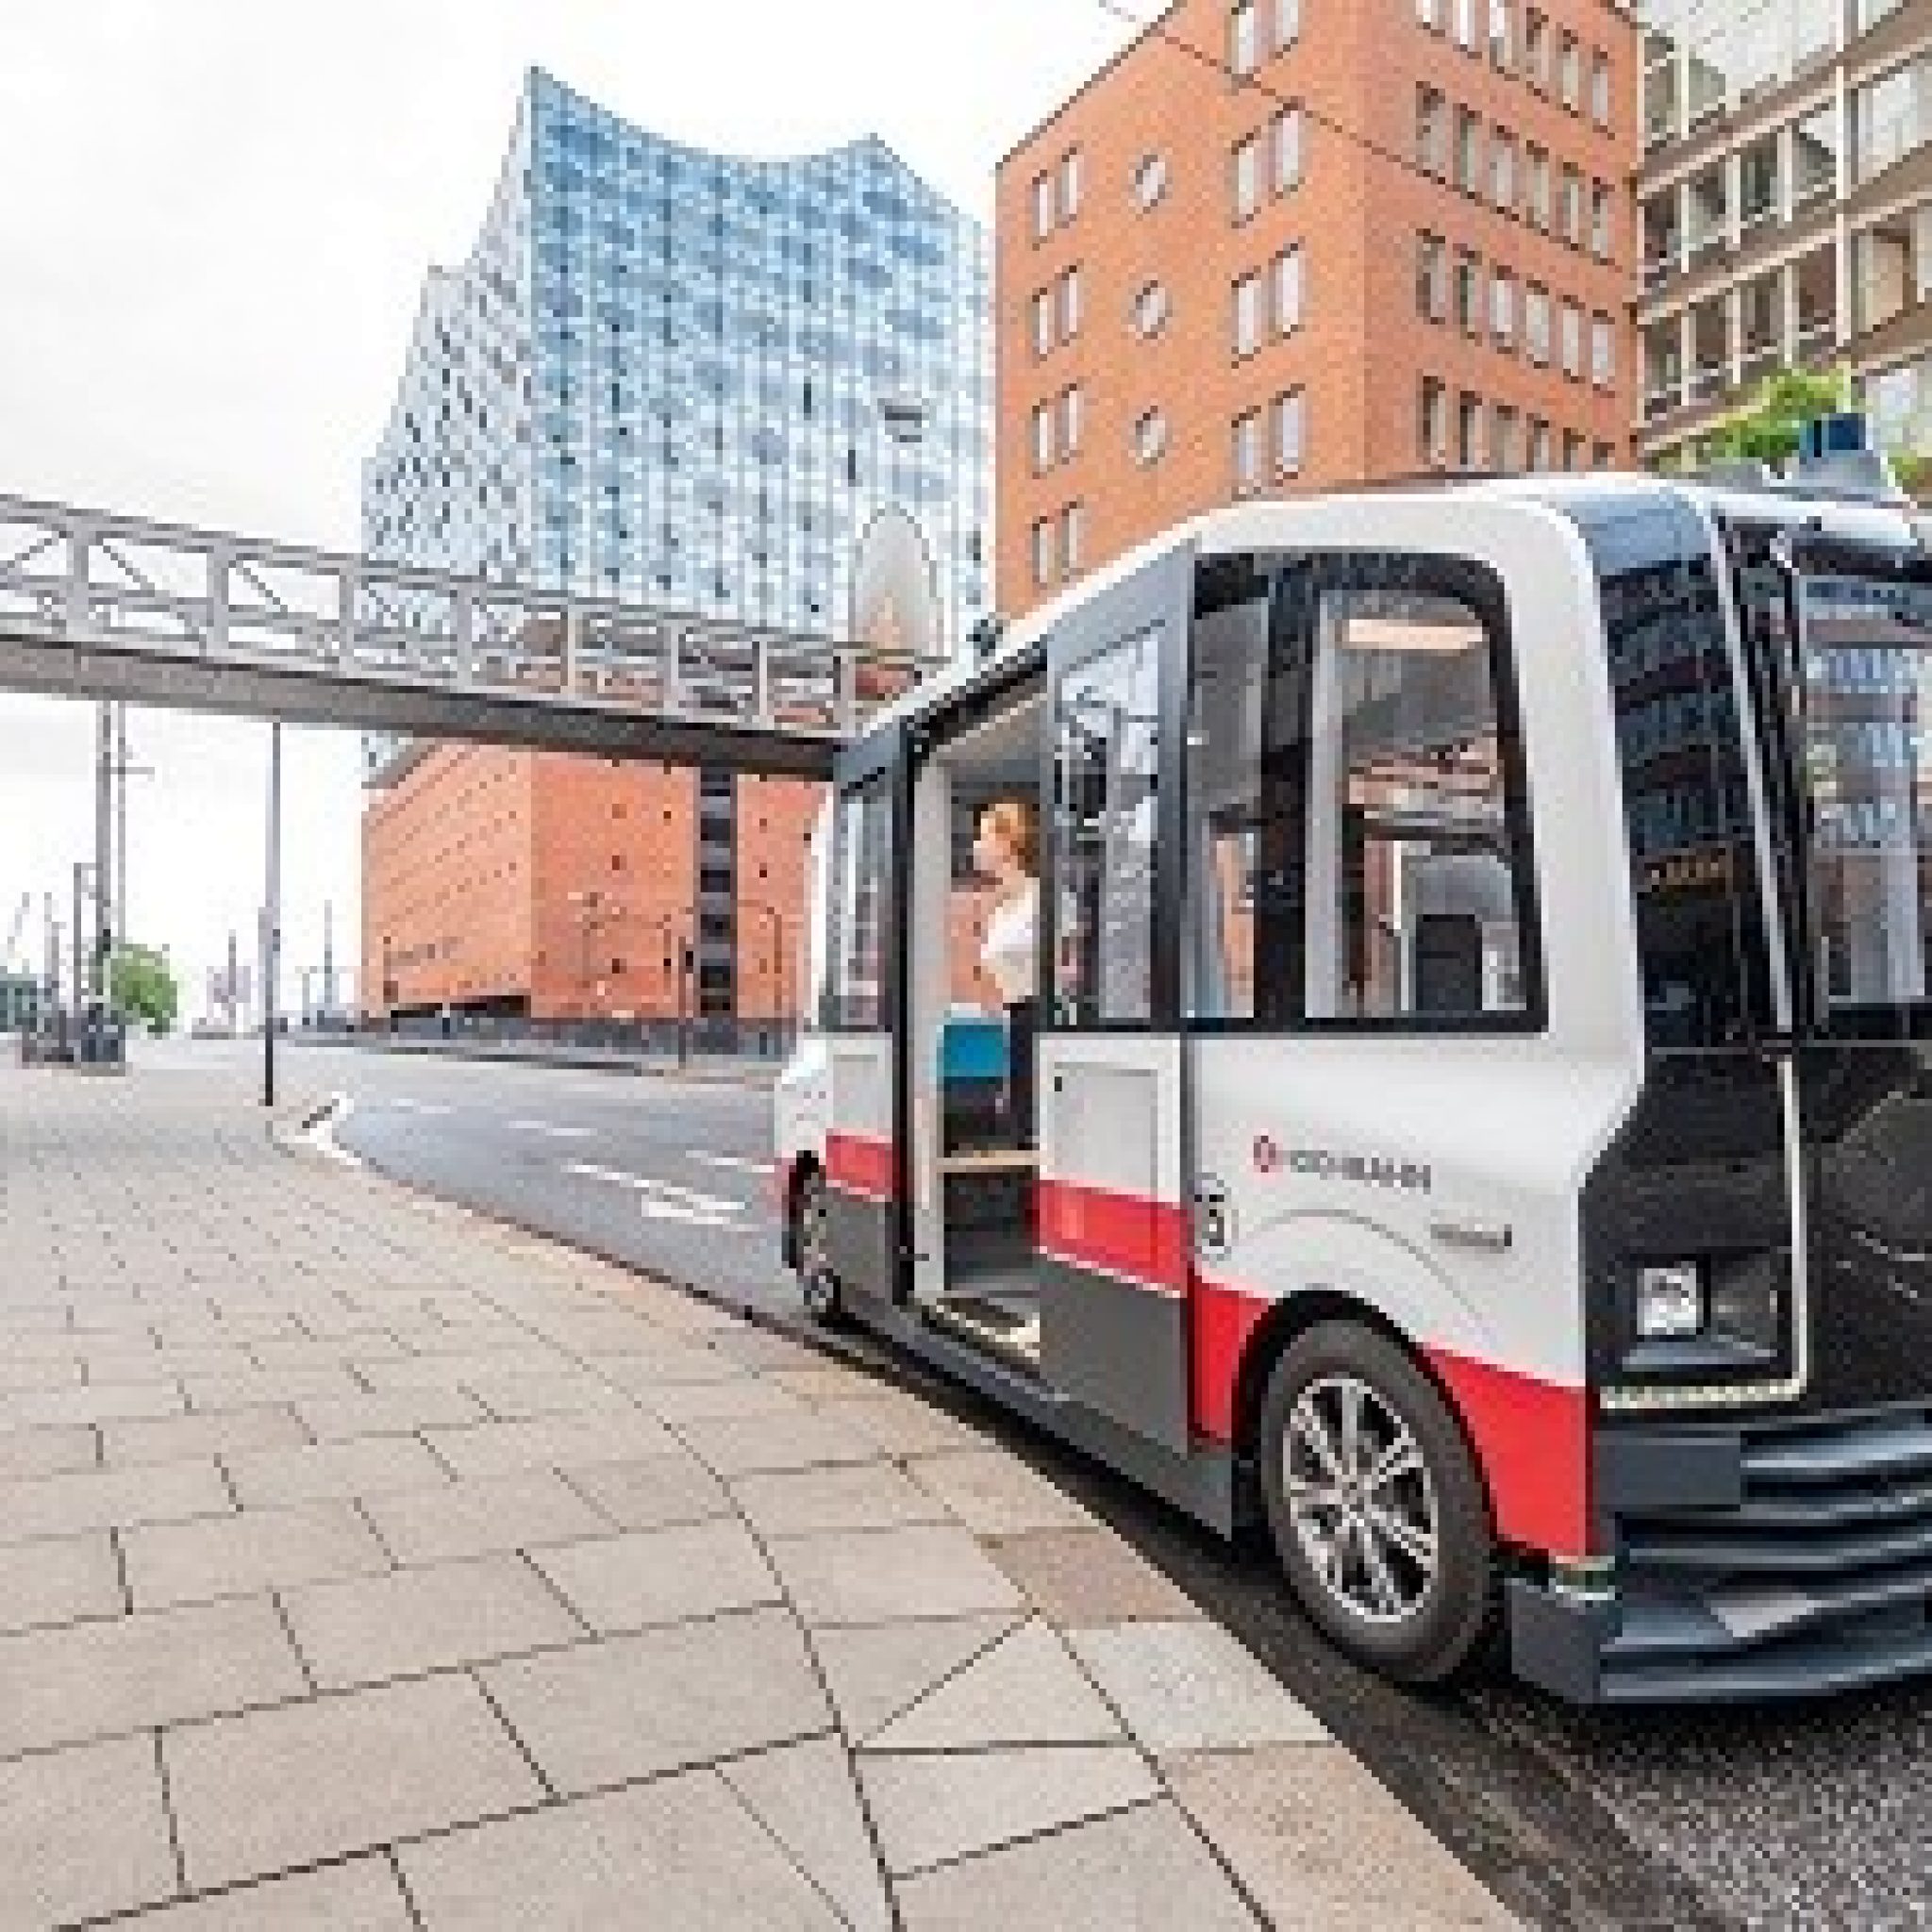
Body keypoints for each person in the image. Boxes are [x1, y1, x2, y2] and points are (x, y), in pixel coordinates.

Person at [974, 799, 1040, 1147]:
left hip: (1042, 1023)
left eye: (983, 837)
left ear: (1007, 844)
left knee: (1033, 1132)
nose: (977, 847)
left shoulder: (1043, 901)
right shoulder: (998, 913)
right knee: (1015, 1128)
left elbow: (1070, 971)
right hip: (1013, 1024)